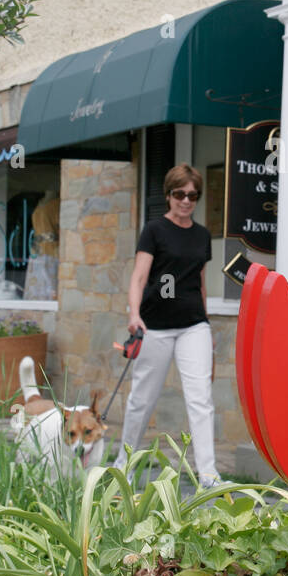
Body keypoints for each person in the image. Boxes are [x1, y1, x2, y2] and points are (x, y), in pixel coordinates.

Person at [113, 163, 225, 487]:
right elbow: (139, 277)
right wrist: (134, 315)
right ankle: (125, 463)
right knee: (142, 399)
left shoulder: (203, 235)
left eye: (193, 195)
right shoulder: (154, 231)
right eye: (180, 194)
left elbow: (200, 283)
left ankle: (208, 473)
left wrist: (207, 326)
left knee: (201, 398)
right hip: (155, 327)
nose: (187, 201)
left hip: (193, 326)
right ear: (168, 195)